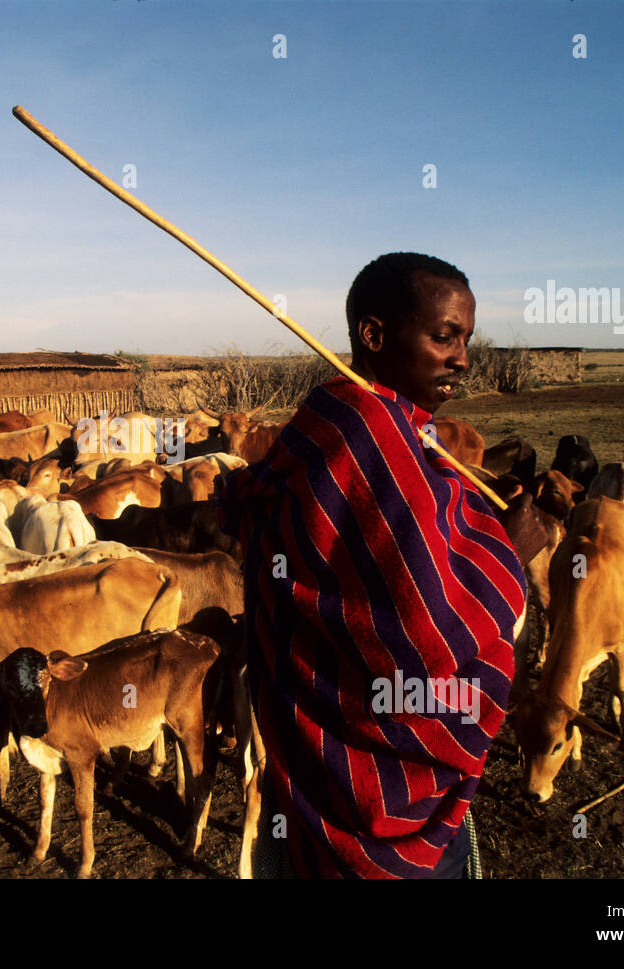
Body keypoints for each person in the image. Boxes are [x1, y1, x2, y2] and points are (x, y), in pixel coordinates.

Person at [219, 252, 526, 878]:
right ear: (374, 335)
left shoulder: (329, 424)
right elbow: (431, 636)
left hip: (312, 774)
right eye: (443, 336)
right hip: (385, 803)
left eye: (465, 339)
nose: (462, 358)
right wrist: (511, 552)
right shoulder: (372, 437)